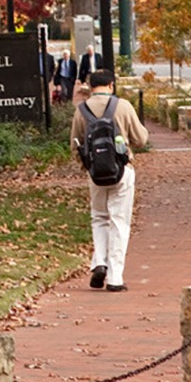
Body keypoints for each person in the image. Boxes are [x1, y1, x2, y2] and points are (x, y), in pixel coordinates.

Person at [70, 71, 149, 292]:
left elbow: (74, 145)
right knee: (119, 221)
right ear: (111, 85)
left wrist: (87, 166)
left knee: (99, 218)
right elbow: (141, 139)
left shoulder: (81, 110)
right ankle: (115, 277)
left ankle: (99, 262)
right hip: (122, 170)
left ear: (89, 86)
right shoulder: (122, 106)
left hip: (95, 173)